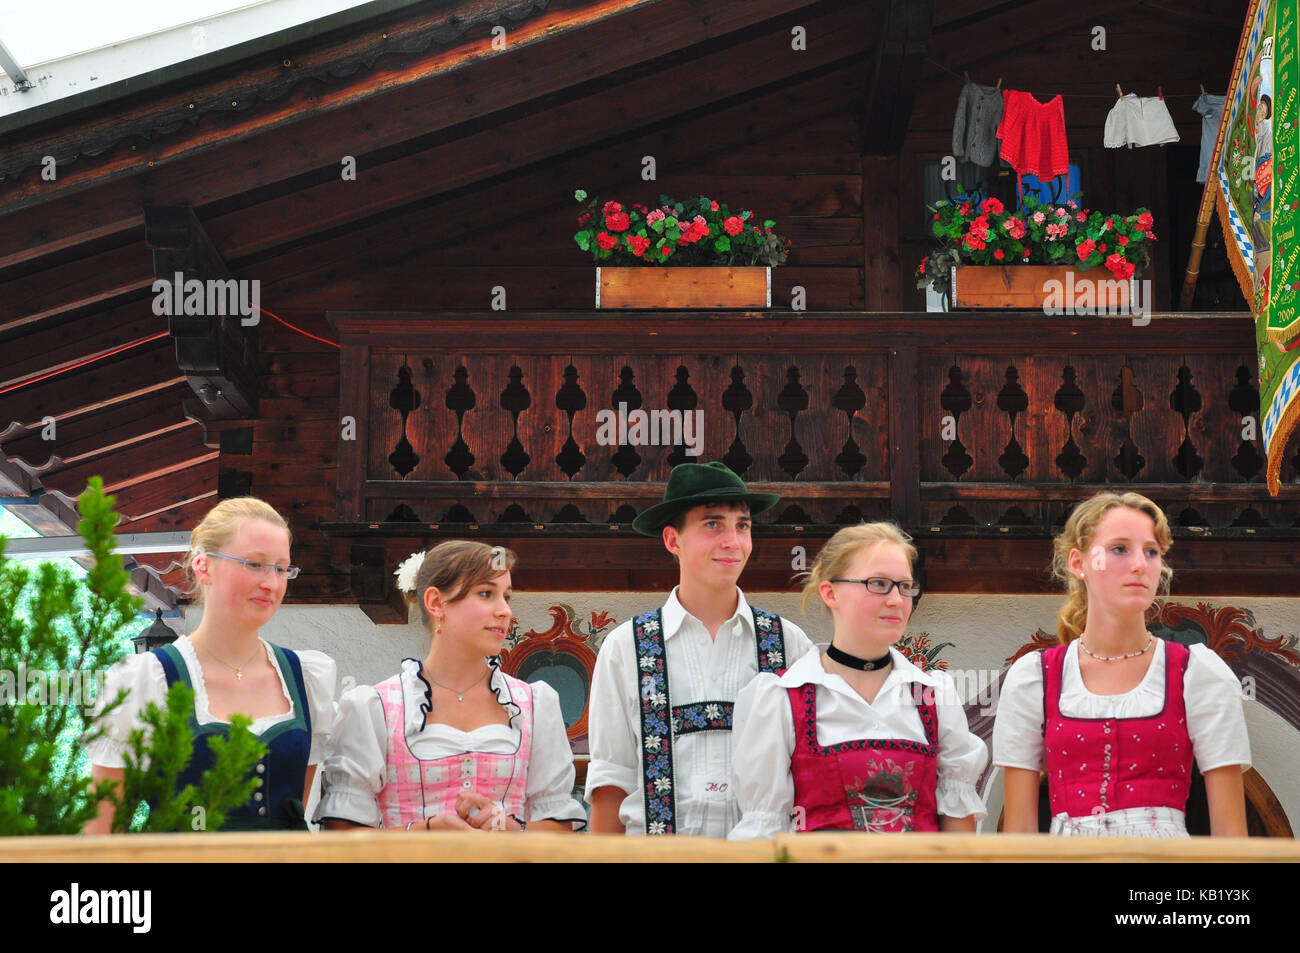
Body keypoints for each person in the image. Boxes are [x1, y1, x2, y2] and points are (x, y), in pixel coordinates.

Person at [993, 491, 1250, 837]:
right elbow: (1019, 836)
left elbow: (1231, 842)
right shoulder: (1035, 678)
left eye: (1151, 552)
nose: (1140, 565)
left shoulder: (1198, 673)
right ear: (1078, 563)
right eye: (1119, 549)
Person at [585, 461, 816, 836]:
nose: (732, 541)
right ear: (673, 540)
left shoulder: (788, 644)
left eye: (742, 526)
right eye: (713, 525)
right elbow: (612, 779)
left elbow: (809, 773)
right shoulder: (626, 646)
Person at [84, 498, 337, 832]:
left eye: (280, 568)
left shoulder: (305, 678)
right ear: (203, 567)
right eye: (254, 564)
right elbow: (103, 836)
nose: (272, 583)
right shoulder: (146, 679)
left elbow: (292, 816)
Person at [729, 522, 987, 838]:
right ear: (830, 592)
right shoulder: (781, 699)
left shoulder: (934, 696)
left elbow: (958, 835)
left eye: (905, 586)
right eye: (879, 584)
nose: (896, 600)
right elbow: (765, 834)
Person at [316, 540, 584, 832]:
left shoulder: (533, 704)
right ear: (435, 603)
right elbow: (343, 837)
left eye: (506, 597)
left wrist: (509, 828)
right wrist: (425, 834)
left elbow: (560, 831)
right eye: (486, 594)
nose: (504, 611)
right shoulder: (375, 708)